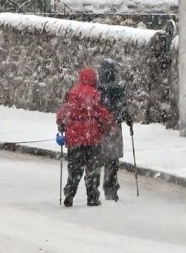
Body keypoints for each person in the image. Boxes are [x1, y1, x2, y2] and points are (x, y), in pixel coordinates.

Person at [57, 68, 113, 207]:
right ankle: (92, 196)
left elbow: (64, 113)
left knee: (75, 168)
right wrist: (106, 125)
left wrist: (62, 125)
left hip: (75, 139)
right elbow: (102, 114)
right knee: (92, 169)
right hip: (92, 138)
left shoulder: (72, 93)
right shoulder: (95, 94)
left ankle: (69, 193)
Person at [97, 58, 134, 202]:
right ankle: (110, 187)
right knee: (113, 159)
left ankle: (94, 187)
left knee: (100, 157)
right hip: (114, 127)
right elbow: (123, 108)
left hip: (100, 127)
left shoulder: (97, 89)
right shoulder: (118, 90)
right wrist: (128, 120)